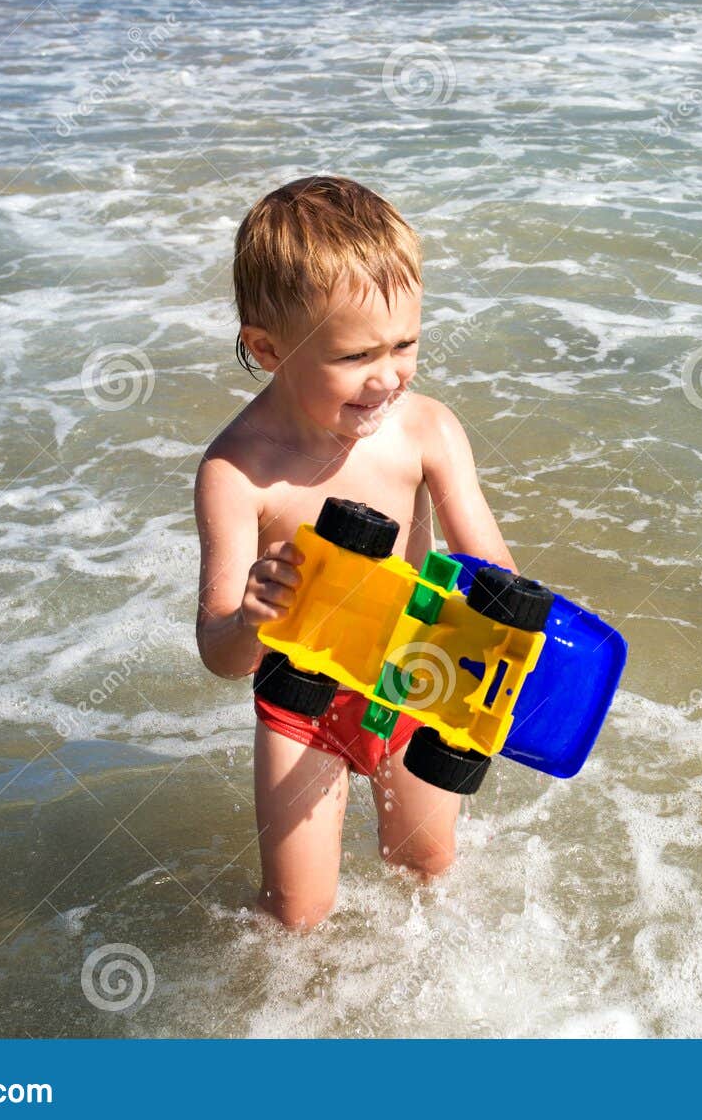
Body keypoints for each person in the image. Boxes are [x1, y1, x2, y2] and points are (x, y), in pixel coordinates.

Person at [194, 175, 517, 929]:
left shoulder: (428, 429)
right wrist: (251, 617)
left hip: (416, 669)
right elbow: (219, 650)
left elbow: (493, 572)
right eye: (355, 355)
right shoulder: (238, 471)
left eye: (405, 343)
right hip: (303, 697)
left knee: (427, 866)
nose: (389, 376)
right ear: (267, 347)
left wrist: (523, 642)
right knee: (296, 915)